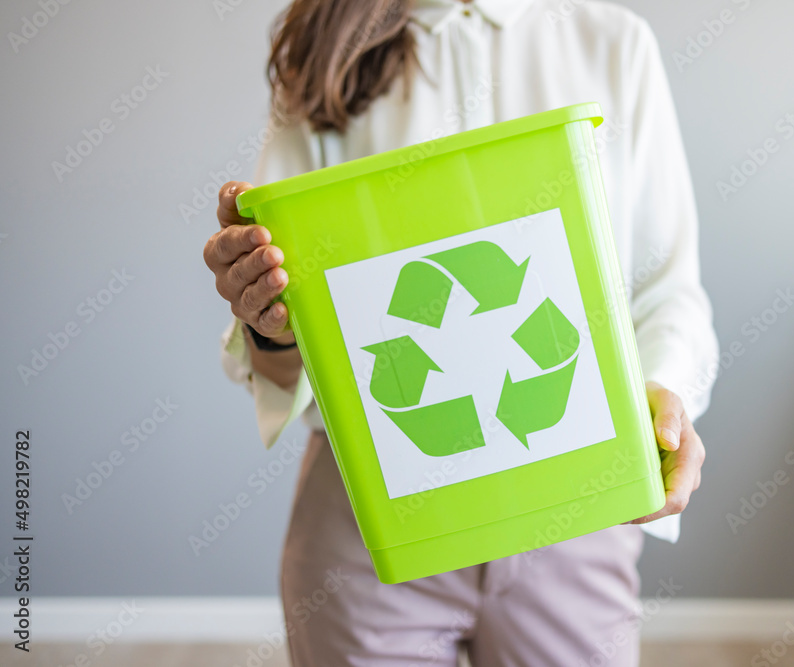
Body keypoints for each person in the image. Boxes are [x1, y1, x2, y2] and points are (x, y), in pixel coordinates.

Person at [202, 0, 719, 664]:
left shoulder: (614, 44)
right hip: (376, 519)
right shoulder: (328, 45)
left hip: (578, 509)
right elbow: (292, 339)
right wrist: (269, 327)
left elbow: (666, 290)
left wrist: (665, 393)